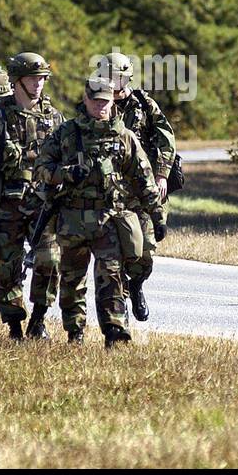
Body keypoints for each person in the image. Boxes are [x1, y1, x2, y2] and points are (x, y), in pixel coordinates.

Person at [35, 76, 165, 347]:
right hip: (73, 220)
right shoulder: (67, 133)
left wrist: (157, 214)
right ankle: (75, 331)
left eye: (105, 102)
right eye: (95, 102)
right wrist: (66, 174)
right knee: (72, 281)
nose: (101, 107)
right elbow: (41, 169)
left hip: (108, 219)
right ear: (85, 100)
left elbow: (144, 178)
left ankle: (115, 333)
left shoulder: (124, 136)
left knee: (111, 276)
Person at [0, 57, 65, 340]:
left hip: (43, 203)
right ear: (17, 80)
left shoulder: (54, 118)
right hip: (2, 201)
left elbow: (65, 159)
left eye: (42, 78)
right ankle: (15, 325)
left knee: (50, 259)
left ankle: (39, 318)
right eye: (33, 79)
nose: (39, 84)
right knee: (7, 265)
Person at [99, 52, 176, 321]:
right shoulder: (96, 104)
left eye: (117, 76)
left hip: (142, 190)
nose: (112, 81)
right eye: (107, 76)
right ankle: (118, 306)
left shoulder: (144, 103)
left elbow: (166, 139)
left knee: (144, 252)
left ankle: (136, 284)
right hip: (109, 192)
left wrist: (162, 175)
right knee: (113, 252)